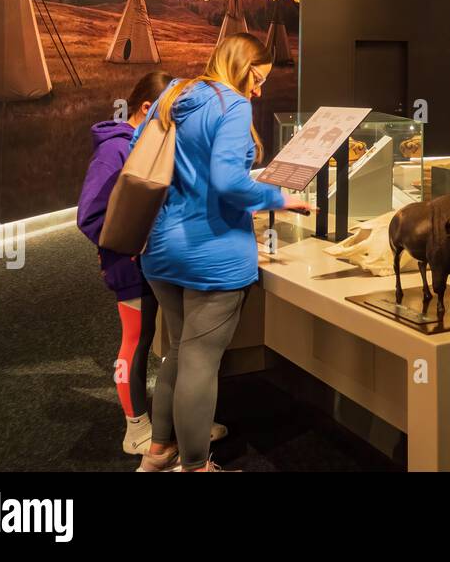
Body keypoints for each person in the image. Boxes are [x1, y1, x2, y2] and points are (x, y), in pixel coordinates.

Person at [136, 34, 309, 472]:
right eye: (259, 78)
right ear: (245, 67)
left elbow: (138, 151)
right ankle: (195, 466)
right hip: (210, 254)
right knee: (199, 360)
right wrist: (283, 199)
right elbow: (230, 182)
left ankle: (159, 451)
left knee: (177, 350)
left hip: (159, 249)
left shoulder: (173, 93)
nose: (259, 89)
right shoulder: (232, 105)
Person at [77, 71, 206, 455]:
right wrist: (132, 244)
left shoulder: (152, 143)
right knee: (137, 340)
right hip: (130, 267)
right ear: (148, 108)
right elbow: (91, 215)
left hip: (160, 261)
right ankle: (136, 427)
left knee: (173, 341)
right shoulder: (114, 152)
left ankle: (182, 421)